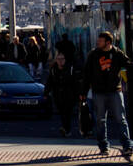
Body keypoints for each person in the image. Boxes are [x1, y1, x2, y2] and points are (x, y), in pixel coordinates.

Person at [82, 30, 133, 159]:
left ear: (108, 42)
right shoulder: (93, 55)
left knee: (121, 119)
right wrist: (83, 92)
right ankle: (104, 146)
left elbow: (128, 65)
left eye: (100, 41)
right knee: (100, 120)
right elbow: (87, 75)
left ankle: (127, 146)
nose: (98, 42)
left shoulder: (117, 53)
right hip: (98, 92)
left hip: (115, 91)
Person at [44, 51, 82, 137]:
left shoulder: (70, 69)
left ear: (65, 60)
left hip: (69, 94)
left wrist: (79, 94)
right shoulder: (53, 69)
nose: (60, 61)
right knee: (62, 112)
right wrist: (46, 93)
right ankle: (65, 128)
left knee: (67, 112)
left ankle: (66, 129)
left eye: (62, 59)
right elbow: (49, 82)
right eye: (59, 59)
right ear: (56, 60)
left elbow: (76, 82)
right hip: (58, 95)